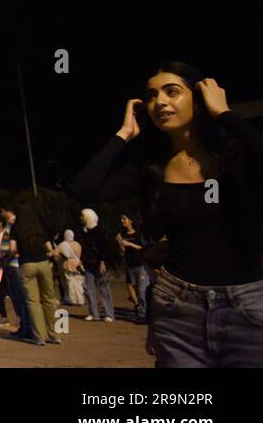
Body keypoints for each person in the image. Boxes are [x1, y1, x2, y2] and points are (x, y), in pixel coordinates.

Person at [71, 63, 263, 366]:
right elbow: (83, 189)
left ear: (199, 98)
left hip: (248, 308)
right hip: (176, 309)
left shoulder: (236, 156)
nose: (159, 102)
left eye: (172, 92)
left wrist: (225, 114)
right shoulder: (150, 168)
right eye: (151, 96)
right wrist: (123, 134)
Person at [11, 195, 63, 346]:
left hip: (26, 264)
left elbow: (13, 249)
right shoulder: (39, 227)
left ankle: (39, 337)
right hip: (43, 263)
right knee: (49, 299)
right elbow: (49, 248)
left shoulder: (17, 228)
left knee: (33, 302)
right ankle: (54, 335)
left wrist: (10, 255)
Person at [0, 205, 33, 339]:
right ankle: (23, 326)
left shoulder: (15, 224)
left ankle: (26, 328)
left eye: (2, 211)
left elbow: (13, 247)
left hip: (13, 264)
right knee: (17, 299)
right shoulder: (10, 224)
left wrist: (6, 258)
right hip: (10, 265)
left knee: (21, 298)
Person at [77, 208, 115, 322]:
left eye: (82, 216)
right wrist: (81, 260)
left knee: (104, 289)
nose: (80, 218)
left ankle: (109, 314)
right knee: (89, 289)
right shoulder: (84, 231)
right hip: (89, 263)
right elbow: (84, 248)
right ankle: (94, 313)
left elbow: (104, 248)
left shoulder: (99, 231)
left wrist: (103, 262)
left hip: (99, 263)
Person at [116, 213, 150, 324]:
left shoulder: (138, 234)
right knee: (133, 291)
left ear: (131, 220)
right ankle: (140, 312)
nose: (122, 221)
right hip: (129, 265)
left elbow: (143, 248)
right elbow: (122, 253)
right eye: (122, 218)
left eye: (124, 218)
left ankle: (144, 315)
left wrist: (130, 244)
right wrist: (120, 244)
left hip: (140, 265)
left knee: (142, 290)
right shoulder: (123, 234)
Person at [56, 230, 85, 305]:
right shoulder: (78, 244)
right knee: (78, 282)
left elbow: (55, 253)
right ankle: (80, 300)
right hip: (78, 264)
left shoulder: (63, 245)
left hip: (68, 265)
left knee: (70, 282)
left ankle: (73, 300)